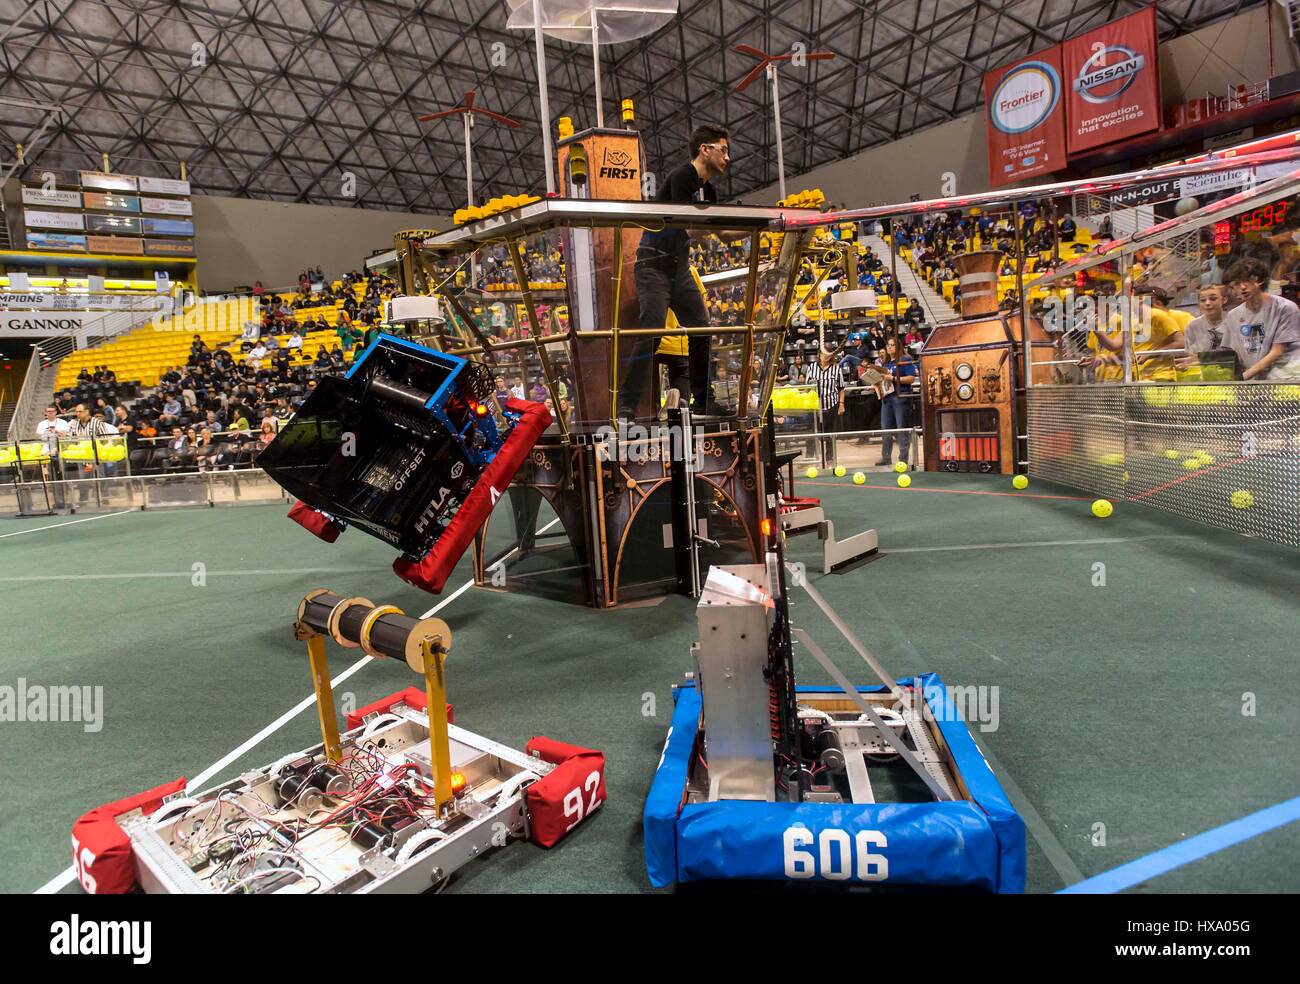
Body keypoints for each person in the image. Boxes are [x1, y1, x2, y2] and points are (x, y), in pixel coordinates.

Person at [620, 123, 743, 419]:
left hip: (679, 269)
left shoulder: (709, 191)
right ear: (705, 149)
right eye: (723, 150)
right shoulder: (682, 177)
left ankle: (702, 400)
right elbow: (688, 227)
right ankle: (626, 403)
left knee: (701, 328)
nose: (728, 158)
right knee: (651, 331)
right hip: (653, 266)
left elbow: (724, 235)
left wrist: (765, 226)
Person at [1221, 258, 1300, 379]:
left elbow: (1277, 352)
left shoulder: (1285, 307)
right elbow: (1233, 353)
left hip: (1286, 377)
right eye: (1237, 284)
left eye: (1247, 280)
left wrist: (1243, 377)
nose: (1242, 287)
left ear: (1260, 280)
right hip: (1253, 378)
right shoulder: (1233, 315)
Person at [875, 335, 916, 467]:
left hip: (901, 397)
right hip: (887, 399)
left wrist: (892, 378)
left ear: (898, 346)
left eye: (892, 345)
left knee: (901, 429)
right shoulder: (886, 363)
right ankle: (886, 458)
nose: (889, 347)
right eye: (888, 345)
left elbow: (910, 379)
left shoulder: (905, 359)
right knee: (885, 429)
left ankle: (903, 459)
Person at [805, 348, 845, 465]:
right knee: (812, 431)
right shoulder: (812, 367)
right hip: (814, 406)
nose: (825, 355)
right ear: (819, 354)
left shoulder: (836, 369)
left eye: (828, 353)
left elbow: (841, 388)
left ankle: (829, 458)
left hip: (831, 404)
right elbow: (807, 387)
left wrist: (841, 405)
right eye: (823, 353)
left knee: (829, 433)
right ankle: (810, 456)